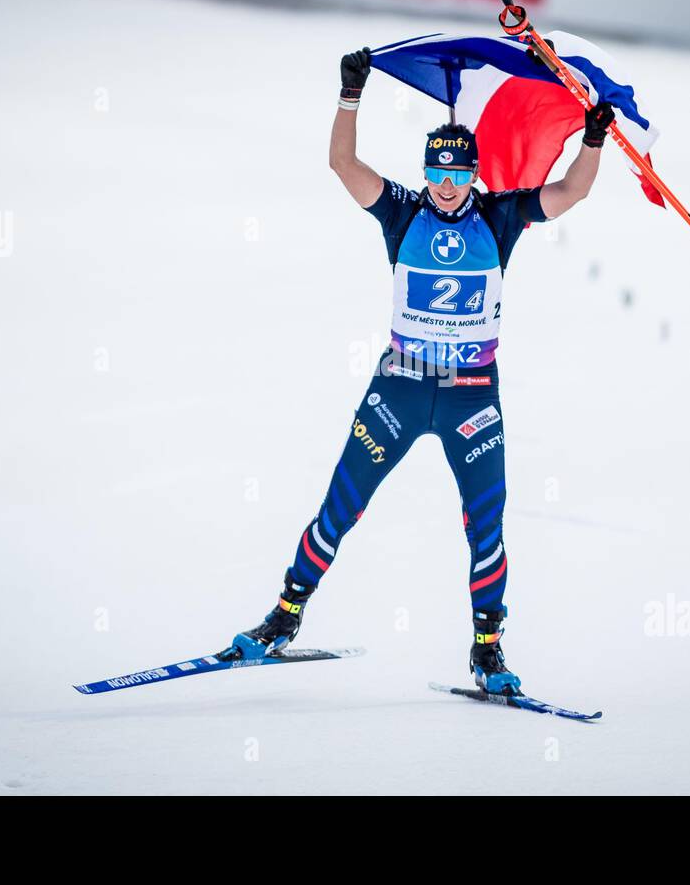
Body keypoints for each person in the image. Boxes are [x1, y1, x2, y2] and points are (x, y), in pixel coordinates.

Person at [223, 47, 614, 695]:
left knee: (485, 523)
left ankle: (488, 649)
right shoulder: (402, 211)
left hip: (470, 398)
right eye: (437, 168)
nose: (446, 183)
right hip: (400, 388)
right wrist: (351, 94)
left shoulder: (501, 214)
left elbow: (571, 191)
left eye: (458, 171)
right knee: (341, 505)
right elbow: (341, 164)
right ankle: (283, 617)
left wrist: (593, 139)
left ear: (473, 172)